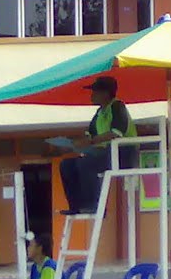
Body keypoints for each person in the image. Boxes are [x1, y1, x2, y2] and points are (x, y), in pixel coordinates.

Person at [57, 75, 138, 215]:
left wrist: (91, 142)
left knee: (87, 163)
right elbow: (89, 135)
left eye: (95, 92)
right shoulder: (100, 112)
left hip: (124, 153)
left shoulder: (117, 106)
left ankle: (94, 205)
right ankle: (76, 206)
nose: (92, 95)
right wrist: (72, 144)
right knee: (67, 164)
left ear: (106, 94)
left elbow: (116, 132)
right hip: (106, 152)